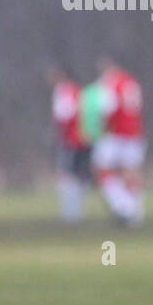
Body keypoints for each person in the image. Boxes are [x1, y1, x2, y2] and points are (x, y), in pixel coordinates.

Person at [89, 55, 147, 226]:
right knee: (131, 171)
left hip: (115, 133)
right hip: (135, 132)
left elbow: (108, 108)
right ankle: (136, 211)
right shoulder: (131, 81)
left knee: (102, 169)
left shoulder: (109, 84)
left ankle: (124, 206)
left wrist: (102, 126)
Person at [45, 65, 92, 222]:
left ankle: (72, 214)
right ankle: (76, 212)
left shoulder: (64, 91)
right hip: (84, 138)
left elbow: (63, 115)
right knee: (80, 176)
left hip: (72, 140)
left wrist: (58, 133)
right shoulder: (79, 90)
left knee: (68, 176)